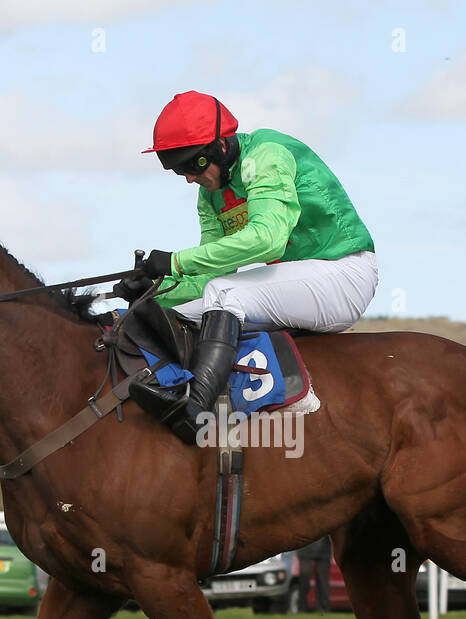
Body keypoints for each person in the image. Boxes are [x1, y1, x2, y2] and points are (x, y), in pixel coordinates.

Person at [117, 91, 378, 444]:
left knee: (225, 293)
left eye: (191, 164)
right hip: (297, 286)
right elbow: (207, 275)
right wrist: (155, 291)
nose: (188, 178)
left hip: (343, 275)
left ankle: (196, 415)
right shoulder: (211, 193)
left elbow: (267, 239)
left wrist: (176, 260)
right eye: (177, 168)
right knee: (173, 313)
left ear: (222, 147)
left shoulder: (265, 155)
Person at [297, 536, 333, 614]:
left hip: (322, 551)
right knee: (305, 581)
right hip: (306, 550)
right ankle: (302, 608)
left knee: (322, 582)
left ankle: (323, 608)